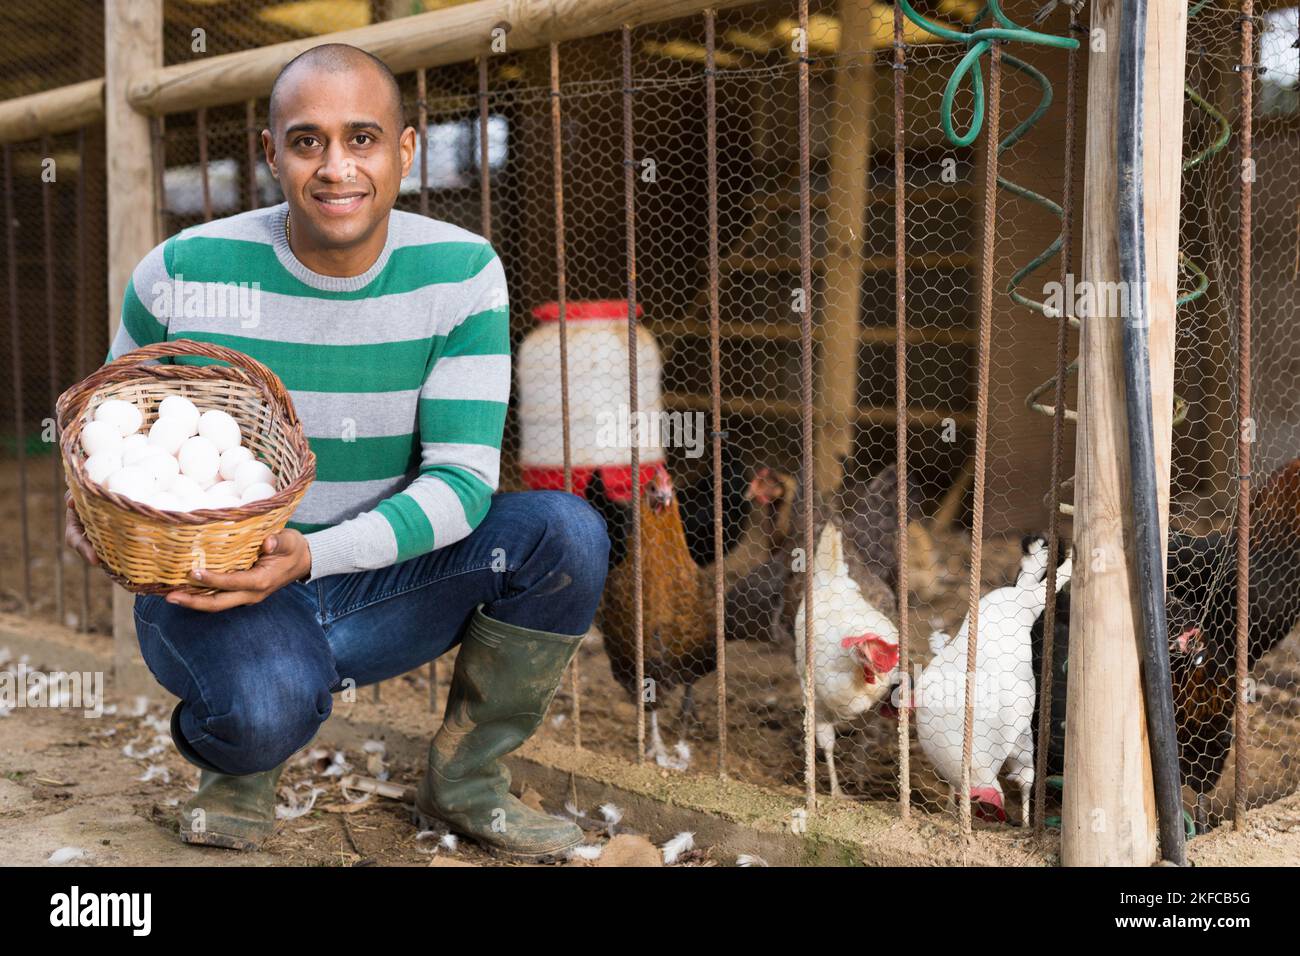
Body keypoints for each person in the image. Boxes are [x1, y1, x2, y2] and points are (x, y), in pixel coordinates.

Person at [64, 43, 609, 862]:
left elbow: (462, 484)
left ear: (405, 149)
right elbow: (115, 436)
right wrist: (92, 504)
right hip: (214, 582)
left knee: (565, 532)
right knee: (264, 709)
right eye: (307, 140)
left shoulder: (460, 274)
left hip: (378, 579)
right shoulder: (183, 273)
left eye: (362, 138)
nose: (336, 167)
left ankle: (467, 779)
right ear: (271, 153)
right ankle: (242, 751)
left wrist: (310, 554)